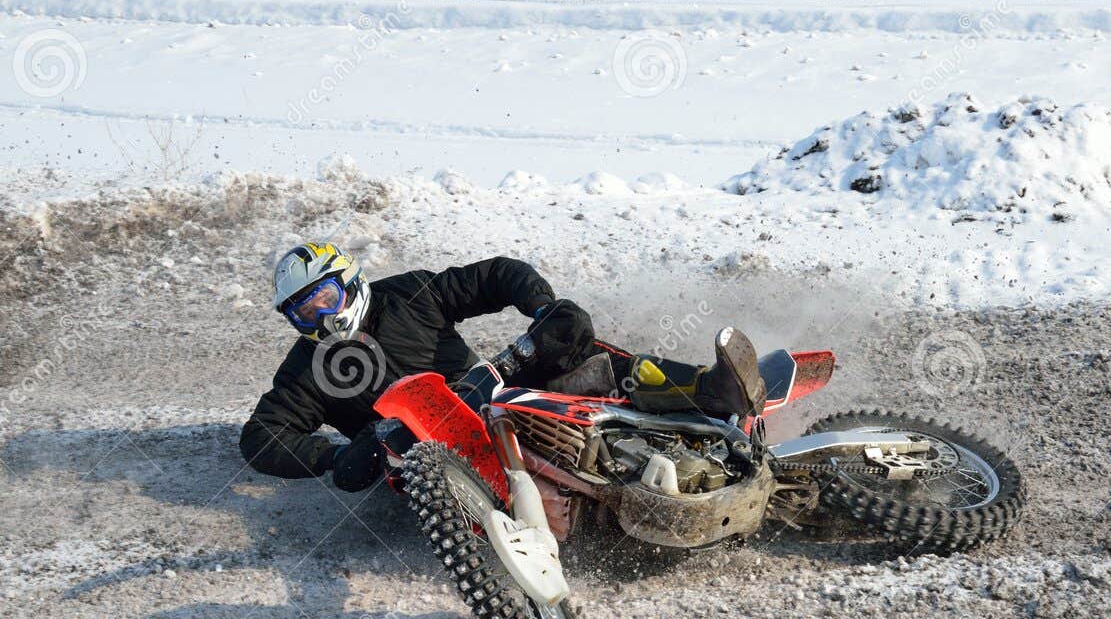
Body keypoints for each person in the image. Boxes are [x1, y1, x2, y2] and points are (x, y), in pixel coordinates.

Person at [239, 242, 766, 492]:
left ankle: (708, 390)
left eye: (324, 298)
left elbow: (495, 275)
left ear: (349, 282)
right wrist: (334, 456)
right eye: (302, 311)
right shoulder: (308, 365)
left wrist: (541, 307)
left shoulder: (408, 294)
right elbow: (262, 436)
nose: (319, 316)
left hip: (492, 397)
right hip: (416, 458)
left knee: (579, 350)